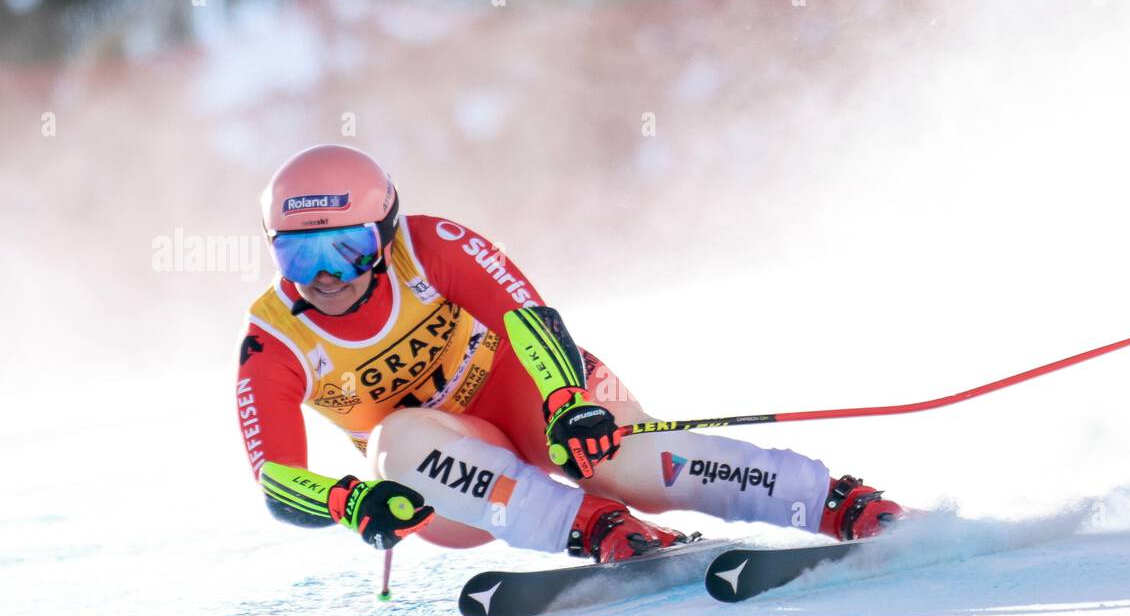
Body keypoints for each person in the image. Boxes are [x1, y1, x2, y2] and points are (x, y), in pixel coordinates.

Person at [237, 144, 901, 562]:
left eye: (345, 248)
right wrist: (349, 503)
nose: (325, 276)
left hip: (534, 395)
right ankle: (590, 527)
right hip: (450, 491)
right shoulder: (274, 339)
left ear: (383, 235)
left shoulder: (432, 243)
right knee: (396, 441)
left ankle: (833, 502)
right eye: (298, 253)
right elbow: (274, 479)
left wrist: (567, 404)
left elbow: (527, 316)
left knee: (625, 461)